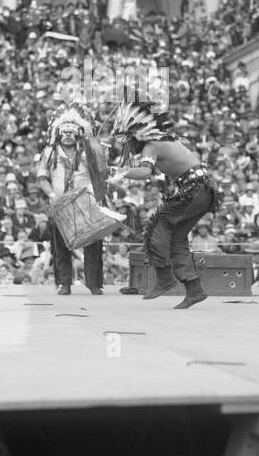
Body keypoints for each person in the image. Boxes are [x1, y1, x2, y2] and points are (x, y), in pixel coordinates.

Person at [106, 101, 217, 309]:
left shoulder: (152, 145)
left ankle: (165, 278)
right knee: (176, 238)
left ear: (136, 135)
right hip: (202, 190)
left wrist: (118, 173)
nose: (127, 146)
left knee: (156, 229)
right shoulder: (166, 140)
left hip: (194, 190)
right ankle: (194, 289)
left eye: (127, 140)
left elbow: (145, 173)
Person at [35, 104, 108, 295]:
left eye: (71, 132)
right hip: (60, 205)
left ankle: (93, 283)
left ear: (78, 134)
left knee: (93, 243)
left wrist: (93, 194)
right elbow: (42, 178)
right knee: (60, 246)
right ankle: (64, 283)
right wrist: (52, 195)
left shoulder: (88, 152)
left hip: (86, 203)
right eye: (64, 132)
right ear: (57, 133)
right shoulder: (49, 153)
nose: (68, 135)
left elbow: (98, 176)